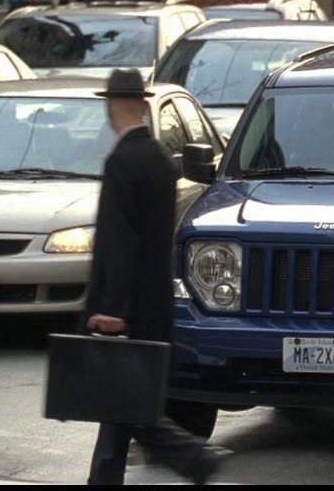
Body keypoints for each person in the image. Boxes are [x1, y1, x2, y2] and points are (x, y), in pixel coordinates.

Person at [83, 69, 222, 485]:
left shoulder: (123, 161)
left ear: (111, 109)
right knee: (123, 406)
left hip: (127, 312)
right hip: (155, 305)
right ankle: (106, 478)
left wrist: (111, 308)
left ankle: (194, 458)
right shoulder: (161, 158)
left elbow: (118, 243)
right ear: (143, 106)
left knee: (128, 407)